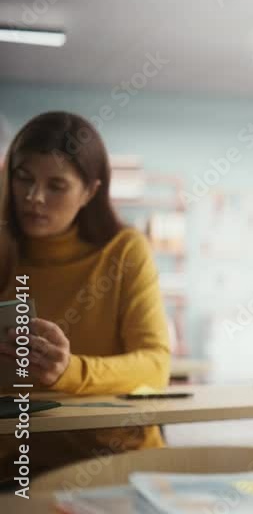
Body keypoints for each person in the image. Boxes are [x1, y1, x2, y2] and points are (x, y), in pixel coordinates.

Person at [0, 112, 171, 483]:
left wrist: (69, 371)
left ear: (89, 193)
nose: (33, 197)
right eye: (23, 178)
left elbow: (155, 366)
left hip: (117, 464)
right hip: (18, 466)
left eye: (56, 186)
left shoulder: (124, 250)